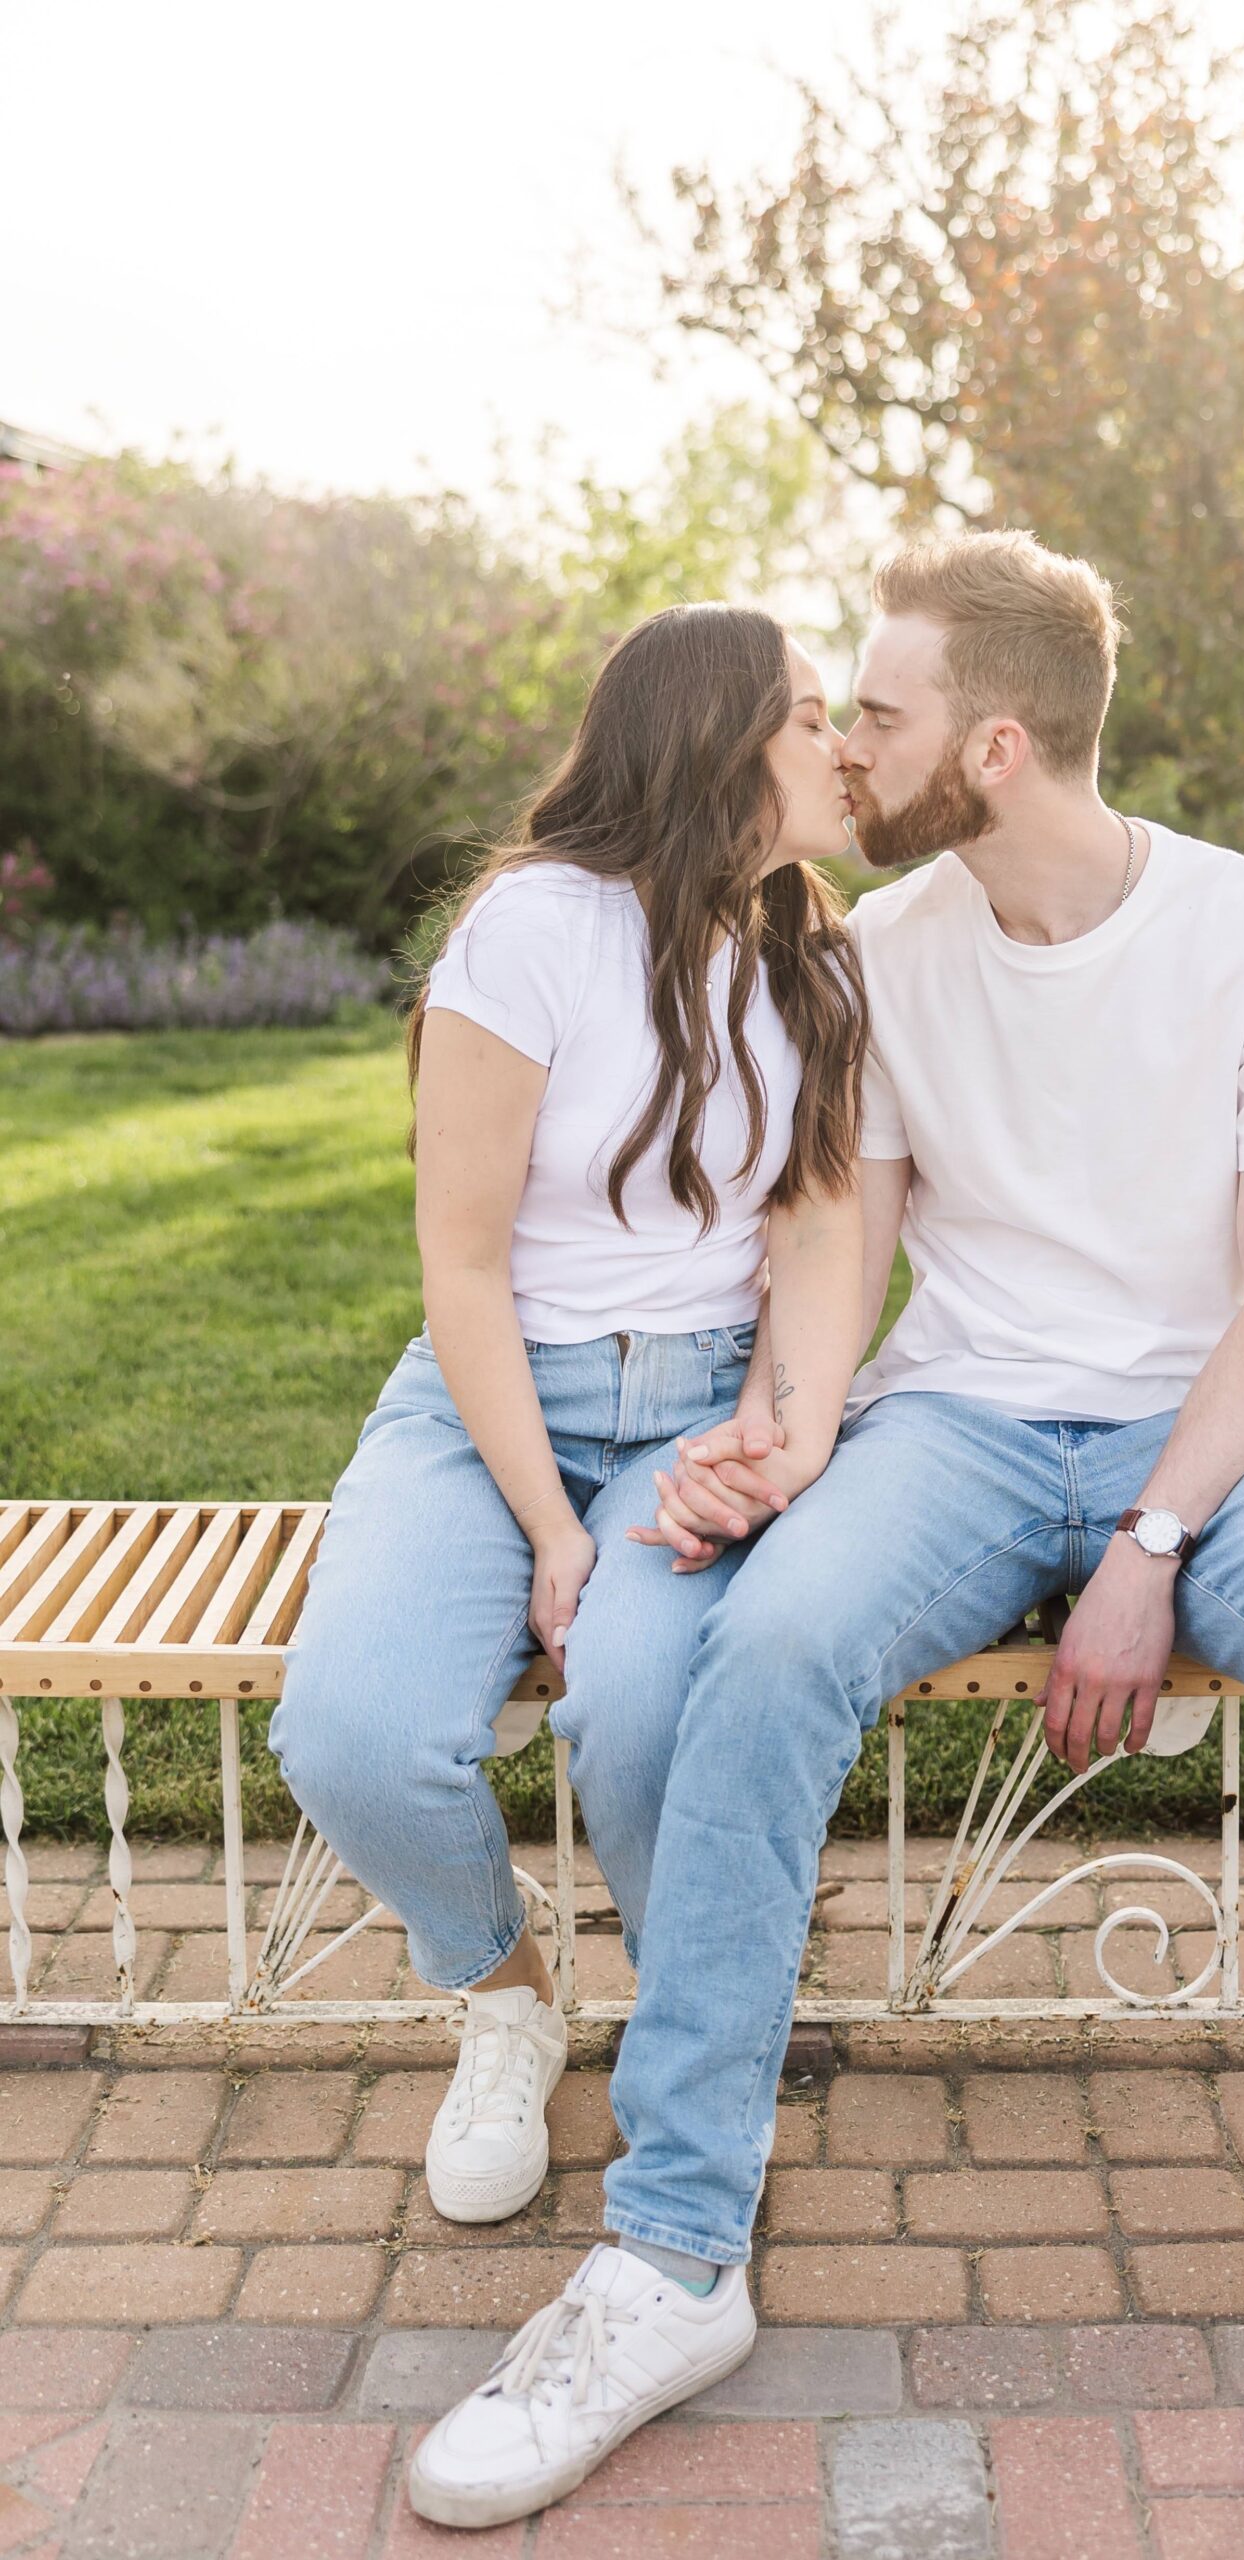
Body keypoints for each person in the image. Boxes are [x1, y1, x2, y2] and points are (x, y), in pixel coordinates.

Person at [410, 530, 1244, 2533]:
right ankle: (670, 2250)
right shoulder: (877, 948)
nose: (843, 741)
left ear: (991, 743)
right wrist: (785, 1432)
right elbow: (846, 1233)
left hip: (1214, 1435)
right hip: (960, 1425)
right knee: (761, 1649)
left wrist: (1155, 1537)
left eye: (878, 710)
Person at [271, 602, 866, 2246]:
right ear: (715, 741)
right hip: (491, 1408)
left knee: (652, 1714)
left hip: (693, 1411)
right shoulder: (530, 930)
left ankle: (693, 2051)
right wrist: (548, 1527)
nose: (843, 745)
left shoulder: (812, 949)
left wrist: (775, 1428)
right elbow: (458, 1261)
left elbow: (816, 1231)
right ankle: (510, 1997)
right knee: (355, 1737)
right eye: (809, 716)